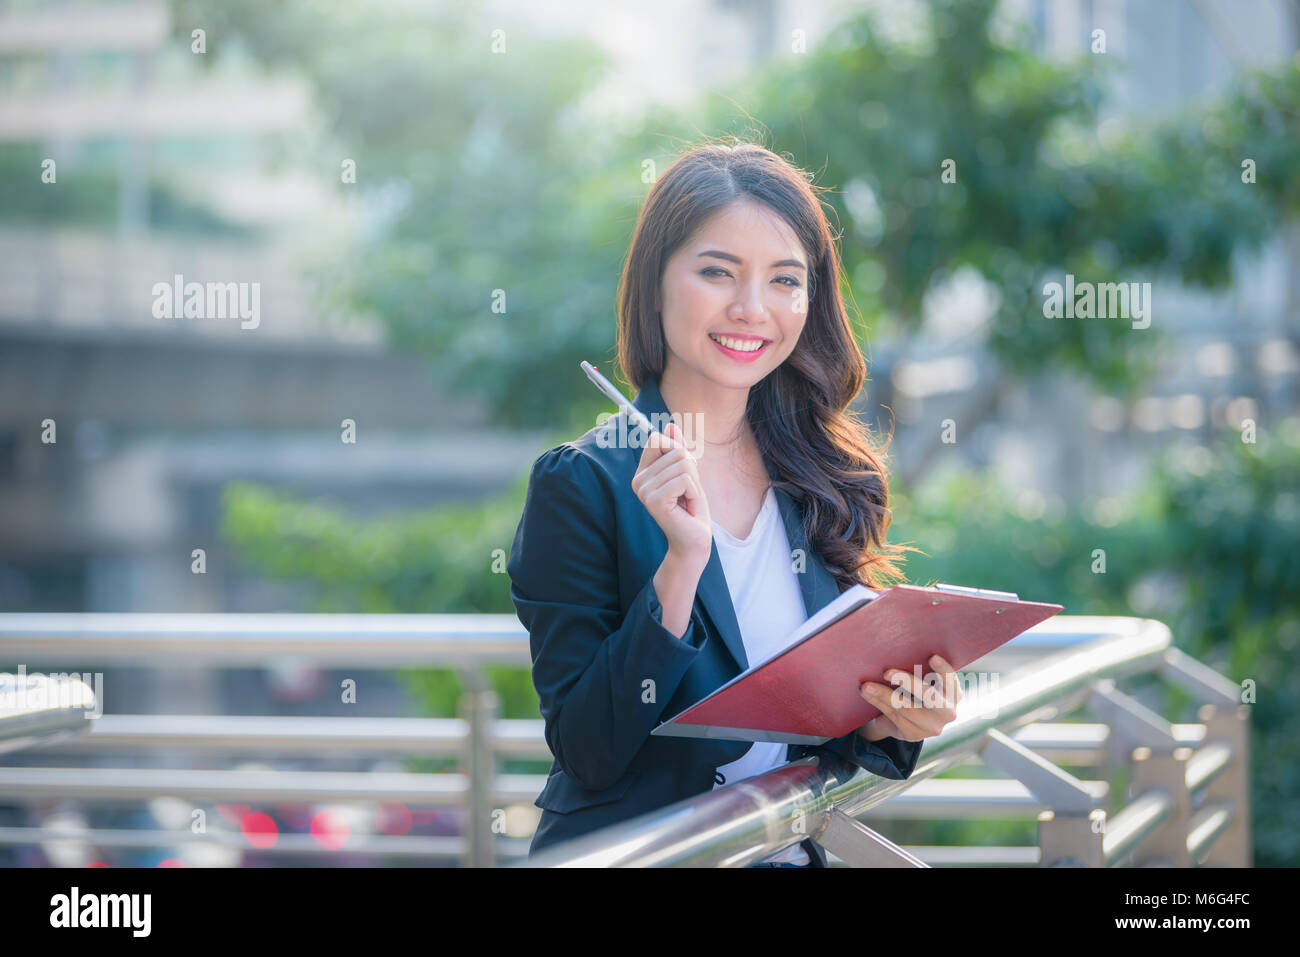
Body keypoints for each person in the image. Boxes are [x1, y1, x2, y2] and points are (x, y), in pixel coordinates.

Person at [507, 139, 962, 867]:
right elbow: (590, 748)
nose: (752, 309)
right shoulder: (583, 482)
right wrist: (680, 567)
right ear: (656, 284)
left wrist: (893, 716)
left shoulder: (823, 472)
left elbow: (817, 713)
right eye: (718, 272)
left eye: (785, 280)